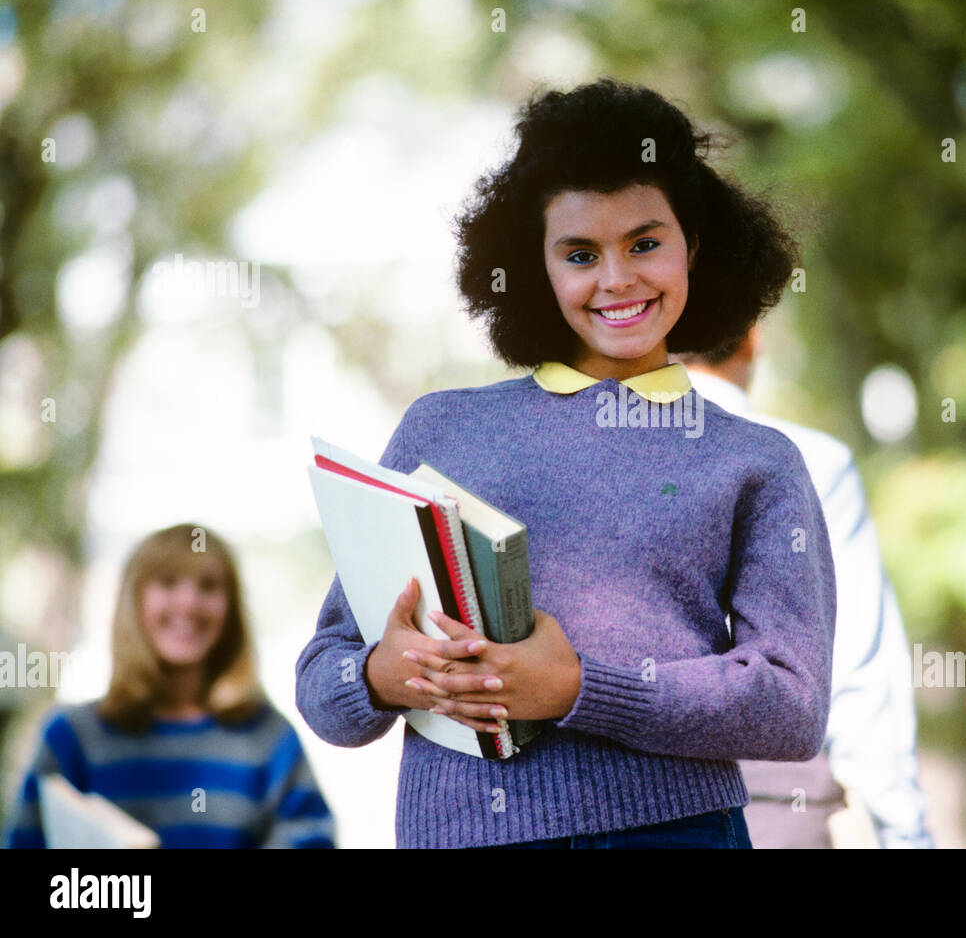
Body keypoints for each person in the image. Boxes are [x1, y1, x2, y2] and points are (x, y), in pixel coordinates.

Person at [295, 78, 836, 849]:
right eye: (580, 253)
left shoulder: (757, 461)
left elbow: (791, 705)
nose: (617, 280)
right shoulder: (442, 429)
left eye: (645, 242)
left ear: (696, 247)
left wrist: (580, 689)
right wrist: (385, 673)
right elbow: (323, 680)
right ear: (534, 266)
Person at [679, 326, 933, 848]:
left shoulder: (597, 456)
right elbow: (861, 669)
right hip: (781, 808)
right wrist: (904, 832)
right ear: (752, 336)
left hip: (636, 809)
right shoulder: (813, 459)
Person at [2, 523, 335, 848]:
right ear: (134, 602)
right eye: (168, 582)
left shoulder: (269, 738)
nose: (189, 602)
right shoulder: (71, 737)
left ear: (231, 610)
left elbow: (313, 838)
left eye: (208, 586)